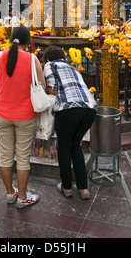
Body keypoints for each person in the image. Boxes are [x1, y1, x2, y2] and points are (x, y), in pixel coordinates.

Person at [0, 26, 45, 208]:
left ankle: (9, 193)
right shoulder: (32, 59)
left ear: (11, 39)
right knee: (22, 157)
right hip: (25, 116)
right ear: (28, 42)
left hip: (2, 113)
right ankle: (22, 197)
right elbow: (42, 85)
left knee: (5, 156)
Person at [43, 45, 98, 200]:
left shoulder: (50, 65)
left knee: (64, 146)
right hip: (89, 109)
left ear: (47, 58)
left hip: (68, 109)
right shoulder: (72, 67)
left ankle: (66, 187)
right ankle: (83, 188)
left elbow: (53, 89)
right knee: (75, 145)